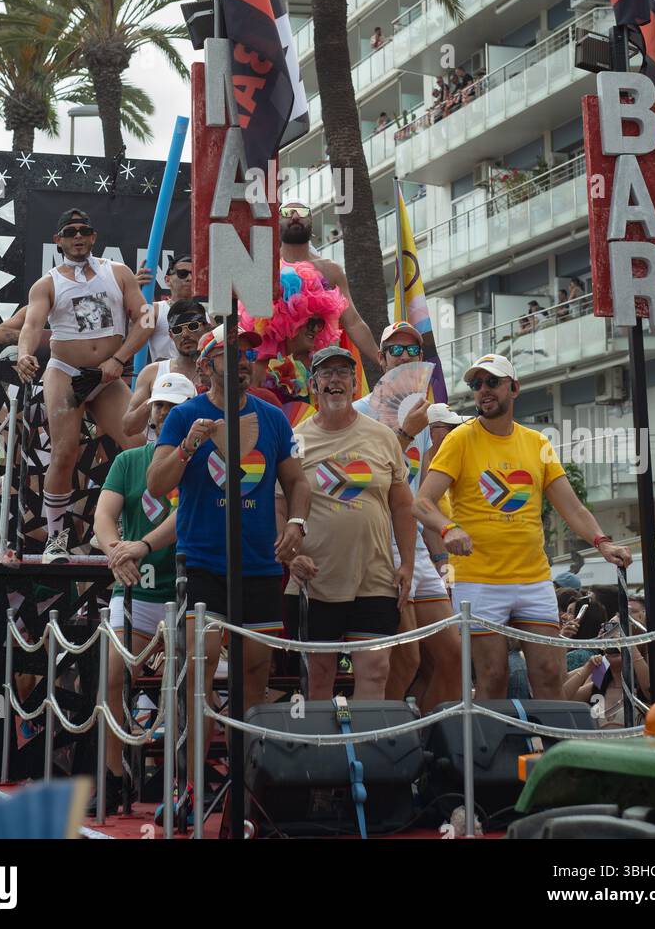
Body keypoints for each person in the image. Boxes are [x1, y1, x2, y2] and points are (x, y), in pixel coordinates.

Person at [414, 353, 632, 700]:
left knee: (549, 675)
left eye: (492, 382)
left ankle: (550, 752)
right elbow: (422, 502)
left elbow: (572, 506)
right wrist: (448, 529)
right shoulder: (460, 439)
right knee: (493, 676)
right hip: (478, 580)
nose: (483, 390)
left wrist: (603, 542)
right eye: (476, 384)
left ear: (514, 388)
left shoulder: (537, 443)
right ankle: (494, 754)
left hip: (533, 578)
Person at [147, 324, 310, 773]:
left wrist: (296, 523)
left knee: (255, 674)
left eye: (247, 355)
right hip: (202, 563)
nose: (241, 361)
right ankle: (194, 784)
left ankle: (247, 784)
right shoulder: (184, 416)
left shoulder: (273, 417)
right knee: (200, 671)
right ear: (205, 366)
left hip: (258, 565)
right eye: (229, 353)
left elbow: (297, 481)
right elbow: (157, 485)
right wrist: (188, 445)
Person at [16, 209, 151, 562]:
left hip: (107, 376)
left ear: (93, 237)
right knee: (64, 452)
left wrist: (119, 359)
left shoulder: (117, 273)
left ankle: (124, 523)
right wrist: (24, 353)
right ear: (58, 240)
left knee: (139, 444)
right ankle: (55, 537)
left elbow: (146, 319)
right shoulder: (47, 283)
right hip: (65, 372)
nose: (78, 236)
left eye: (84, 231)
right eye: (70, 232)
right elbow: (31, 325)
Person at [282, 344, 415, 700]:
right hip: (316, 577)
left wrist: (408, 564)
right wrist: (290, 557)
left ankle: (366, 752)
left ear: (355, 385)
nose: (335, 381)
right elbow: (278, 508)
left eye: (343, 373)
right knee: (319, 677)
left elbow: (403, 506)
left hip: (374, 575)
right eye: (326, 373)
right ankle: (324, 755)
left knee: (376, 672)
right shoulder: (295, 440)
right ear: (313, 385)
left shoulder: (384, 436)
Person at [92, 372, 196, 816]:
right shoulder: (129, 461)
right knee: (113, 677)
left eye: (173, 408)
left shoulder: (202, 459)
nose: (163, 414)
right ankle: (115, 776)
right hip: (134, 590)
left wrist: (141, 544)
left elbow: (182, 517)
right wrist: (117, 551)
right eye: (158, 406)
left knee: (195, 683)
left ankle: (189, 780)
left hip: (187, 593)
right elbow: (103, 515)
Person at [354, 323, 462, 710]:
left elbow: (418, 497)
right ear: (380, 358)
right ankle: (380, 738)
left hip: (413, 542)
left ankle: (425, 743)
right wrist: (404, 430)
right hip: (376, 542)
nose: (403, 358)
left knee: (453, 655)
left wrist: (442, 560)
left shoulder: (421, 414)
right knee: (406, 658)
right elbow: (366, 478)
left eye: (411, 351)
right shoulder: (359, 412)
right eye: (394, 351)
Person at [279, 203, 380, 366]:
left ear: (311, 220)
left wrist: (380, 360)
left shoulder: (330, 270)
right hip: (273, 371)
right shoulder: (267, 268)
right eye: (287, 212)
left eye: (302, 212)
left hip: (320, 371)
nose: (295, 216)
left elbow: (353, 322)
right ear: (277, 220)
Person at [240, 262, 347, 408]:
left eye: (320, 323)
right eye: (310, 322)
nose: (315, 329)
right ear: (287, 320)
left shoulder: (322, 366)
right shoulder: (259, 368)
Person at [121, 301, 212, 439]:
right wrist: (156, 400)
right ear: (170, 335)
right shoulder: (152, 373)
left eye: (193, 326)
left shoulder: (217, 371)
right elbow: (128, 428)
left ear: (207, 328)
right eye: (177, 330)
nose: (185, 334)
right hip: (160, 454)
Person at [135, 253, 195, 363]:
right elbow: (133, 336)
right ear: (167, 280)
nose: (190, 278)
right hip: (165, 378)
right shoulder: (155, 310)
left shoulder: (207, 314)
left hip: (196, 378)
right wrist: (134, 291)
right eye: (183, 274)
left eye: (194, 274)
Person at [559, 596, 607, 671]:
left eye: (570, 612)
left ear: (584, 620)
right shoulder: (594, 651)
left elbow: (546, 667)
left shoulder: (577, 656)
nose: (563, 616)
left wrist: (561, 639)